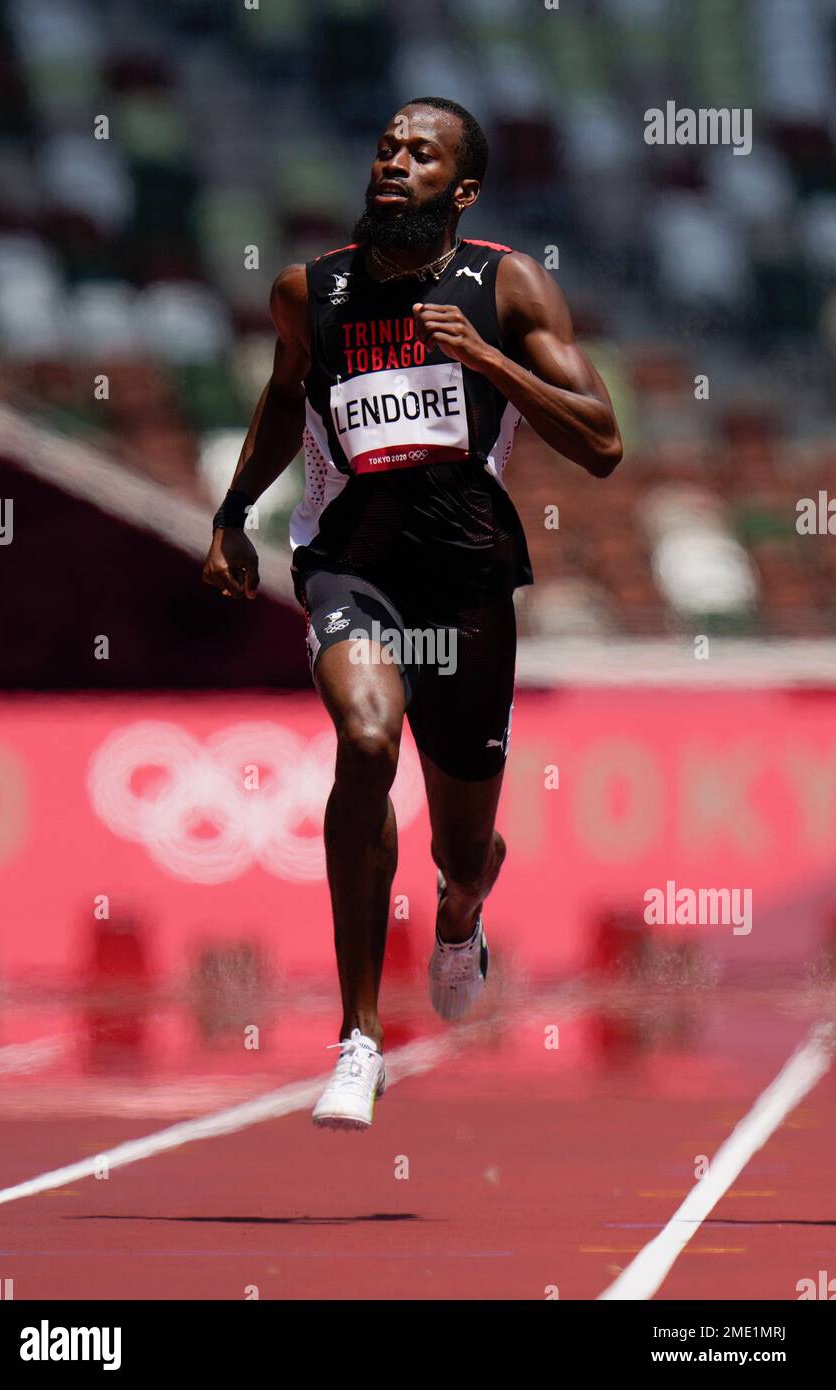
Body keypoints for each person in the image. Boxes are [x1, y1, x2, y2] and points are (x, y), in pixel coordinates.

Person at [203, 97, 622, 1130]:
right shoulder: (312, 291)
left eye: (420, 155)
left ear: (461, 188)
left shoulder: (504, 283)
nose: (394, 162)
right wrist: (230, 513)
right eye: (386, 147)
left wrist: (485, 363)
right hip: (349, 562)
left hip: (468, 578)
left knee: (464, 845)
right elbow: (281, 397)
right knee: (364, 735)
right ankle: (357, 1037)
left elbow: (602, 442)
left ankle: (461, 911)